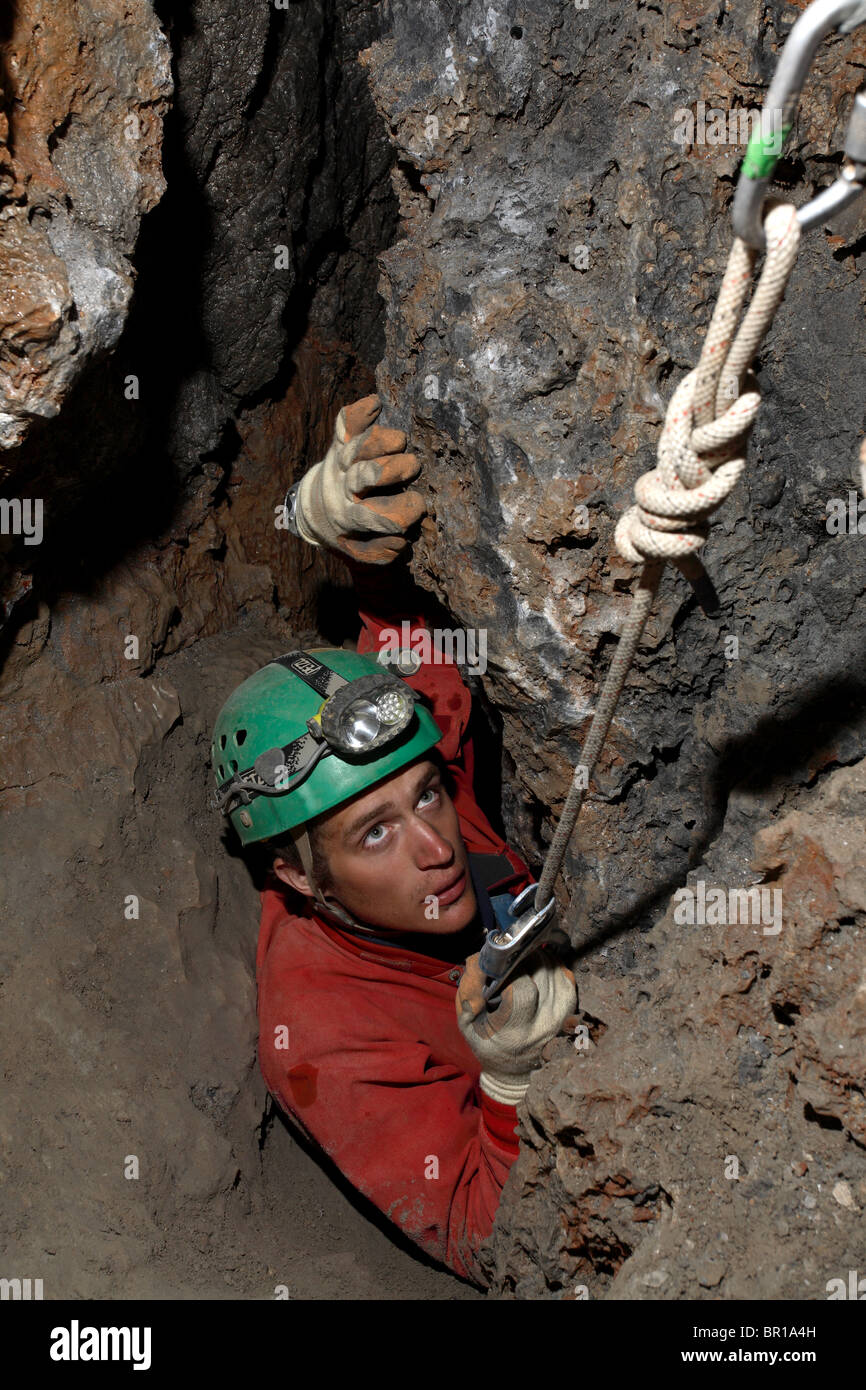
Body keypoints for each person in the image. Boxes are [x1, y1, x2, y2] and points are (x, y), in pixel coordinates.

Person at [211, 395, 576, 1286]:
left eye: (429, 796)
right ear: (296, 876)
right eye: (375, 833)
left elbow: (413, 645)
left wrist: (351, 542)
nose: (435, 844)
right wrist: (511, 1082)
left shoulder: (417, 774)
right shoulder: (322, 1033)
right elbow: (479, 1240)